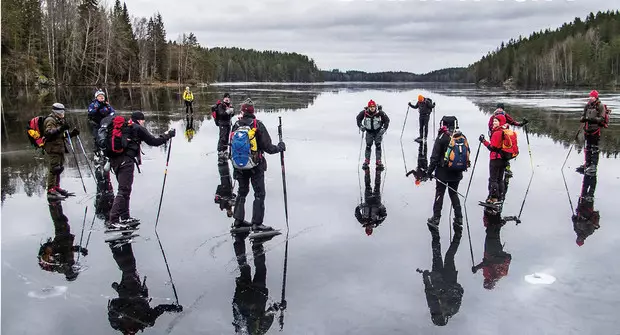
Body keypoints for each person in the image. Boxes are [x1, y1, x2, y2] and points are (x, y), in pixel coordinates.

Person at [104, 111, 176, 229]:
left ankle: (125, 217)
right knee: (123, 190)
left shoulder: (125, 127)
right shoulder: (137, 128)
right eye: (143, 120)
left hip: (115, 162)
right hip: (126, 162)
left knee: (125, 190)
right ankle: (113, 220)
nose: (143, 122)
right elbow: (154, 141)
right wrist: (168, 135)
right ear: (140, 120)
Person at [230, 98, 286, 232]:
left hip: (239, 165)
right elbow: (268, 147)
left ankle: (238, 220)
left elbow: (230, 146)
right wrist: (280, 147)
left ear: (242, 111)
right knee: (259, 193)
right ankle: (257, 223)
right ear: (252, 111)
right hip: (256, 165)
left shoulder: (236, 125)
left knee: (242, 191)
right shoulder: (257, 125)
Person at [107, 243, 182, 333]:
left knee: (129, 269)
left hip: (127, 290)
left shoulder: (118, 325)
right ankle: (121, 245)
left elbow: (113, 309)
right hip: (138, 291)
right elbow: (160, 308)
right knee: (130, 269)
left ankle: (119, 246)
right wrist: (173, 308)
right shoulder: (146, 320)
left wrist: (119, 308)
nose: (131, 331)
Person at [426, 116, 469, 232]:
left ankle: (436, 219)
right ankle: (459, 218)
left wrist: (429, 172)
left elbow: (434, 157)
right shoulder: (461, 136)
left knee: (440, 194)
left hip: (442, 173)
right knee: (453, 194)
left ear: (443, 124)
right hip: (457, 173)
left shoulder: (442, 137)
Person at [231, 233, 280, 334]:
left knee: (261, 270)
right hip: (242, 296)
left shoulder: (257, 333)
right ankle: (238, 239)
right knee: (244, 269)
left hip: (256, 299)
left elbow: (268, 316)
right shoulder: (240, 332)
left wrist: (278, 307)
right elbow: (236, 310)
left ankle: (257, 244)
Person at [417, 228, 463, 326]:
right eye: (438, 314)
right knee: (449, 256)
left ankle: (435, 232)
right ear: (444, 316)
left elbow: (428, 291)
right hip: (449, 277)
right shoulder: (453, 308)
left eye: (434, 314)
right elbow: (460, 290)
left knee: (436, 252)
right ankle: (458, 234)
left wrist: (425, 278)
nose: (436, 311)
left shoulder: (433, 307)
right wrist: (445, 290)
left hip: (436, 277)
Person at [37, 199, 88, 281]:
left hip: (61, 241)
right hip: (64, 240)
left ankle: (53, 204)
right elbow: (69, 250)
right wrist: (80, 249)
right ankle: (56, 203)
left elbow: (61, 254)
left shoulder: (64, 267)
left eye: (75, 272)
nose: (76, 270)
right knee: (62, 221)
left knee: (60, 222)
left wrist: (79, 250)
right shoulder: (68, 265)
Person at [43, 103, 80, 200]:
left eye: (63, 111)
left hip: (60, 148)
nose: (63, 113)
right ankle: (50, 190)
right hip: (53, 148)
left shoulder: (59, 120)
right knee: (54, 169)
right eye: (61, 111)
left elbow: (62, 135)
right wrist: (61, 128)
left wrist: (72, 134)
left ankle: (56, 187)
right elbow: (49, 133)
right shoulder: (50, 120)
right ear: (57, 112)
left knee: (59, 168)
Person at [472, 210, 512, 290]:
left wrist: (477, 267)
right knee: (491, 234)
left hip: (497, 253)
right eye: (486, 283)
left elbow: (487, 264)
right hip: (491, 253)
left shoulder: (499, 275)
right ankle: (498, 220)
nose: (485, 281)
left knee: (494, 236)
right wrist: (476, 268)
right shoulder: (489, 276)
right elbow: (486, 264)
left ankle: (499, 220)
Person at [487, 103, 528, 178]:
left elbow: (490, 127)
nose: (499, 110)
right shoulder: (504, 115)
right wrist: (521, 124)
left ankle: (499, 169)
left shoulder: (494, 116)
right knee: (504, 152)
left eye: (500, 108)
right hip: (503, 137)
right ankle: (506, 168)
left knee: (497, 153)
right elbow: (513, 122)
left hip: (498, 138)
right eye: (499, 108)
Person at [479, 114, 508, 205]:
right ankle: (500, 196)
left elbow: (492, 147)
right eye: (494, 121)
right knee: (500, 179)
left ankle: (494, 198)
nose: (494, 123)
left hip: (495, 159)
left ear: (501, 122)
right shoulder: (505, 131)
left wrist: (483, 141)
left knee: (493, 179)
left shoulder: (497, 132)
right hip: (504, 158)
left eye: (496, 121)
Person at [577, 90, 606, 175]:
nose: (591, 98)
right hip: (587, 131)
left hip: (595, 131)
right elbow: (582, 116)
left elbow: (602, 118)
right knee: (588, 148)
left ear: (596, 97)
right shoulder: (587, 106)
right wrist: (583, 118)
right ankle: (587, 163)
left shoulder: (600, 106)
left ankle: (593, 166)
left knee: (594, 148)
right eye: (590, 96)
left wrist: (591, 119)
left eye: (593, 96)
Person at [356, 100, 390, 170]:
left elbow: (387, 120)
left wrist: (384, 129)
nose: (372, 108)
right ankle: (367, 161)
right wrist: (361, 126)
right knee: (368, 146)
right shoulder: (364, 112)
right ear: (368, 107)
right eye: (371, 107)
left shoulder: (380, 113)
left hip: (378, 132)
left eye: (373, 106)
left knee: (378, 146)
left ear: (375, 107)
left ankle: (378, 162)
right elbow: (358, 118)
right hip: (369, 132)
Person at [355, 168, 387, 236]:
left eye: (367, 229)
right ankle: (378, 172)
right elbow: (384, 215)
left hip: (368, 200)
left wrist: (363, 205)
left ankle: (367, 172)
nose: (369, 227)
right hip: (376, 201)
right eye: (370, 229)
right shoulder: (376, 222)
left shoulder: (362, 221)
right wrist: (380, 206)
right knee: (377, 186)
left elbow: (357, 211)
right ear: (372, 229)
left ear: (366, 228)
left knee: (367, 185)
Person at [573, 173, 600, 246]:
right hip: (588, 208)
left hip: (580, 207)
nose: (579, 239)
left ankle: (587, 175)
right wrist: (585, 220)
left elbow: (574, 220)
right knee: (591, 191)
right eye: (580, 240)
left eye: (578, 239)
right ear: (583, 240)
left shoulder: (576, 230)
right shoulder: (589, 232)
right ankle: (593, 176)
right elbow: (592, 223)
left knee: (584, 189)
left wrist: (574, 218)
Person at [213, 93, 235, 162]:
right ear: (223, 98)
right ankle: (220, 151)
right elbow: (221, 114)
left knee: (226, 137)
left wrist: (232, 111)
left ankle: (225, 150)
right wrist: (228, 111)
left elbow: (232, 114)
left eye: (228, 97)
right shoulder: (221, 106)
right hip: (222, 123)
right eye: (226, 97)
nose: (227, 99)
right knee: (222, 137)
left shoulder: (230, 105)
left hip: (228, 123)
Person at [215, 153, 237, 218]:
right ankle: (224, 160)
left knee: (224, 175)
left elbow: (218, 198)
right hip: (228, 186)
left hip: (225, 186)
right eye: (231, 213)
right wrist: (233, 196)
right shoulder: (231, 204)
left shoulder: (223, 206)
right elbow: (234, 197)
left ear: (227, 213)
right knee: (227, 174)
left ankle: (221, 160)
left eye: (230, 213)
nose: (230, 212)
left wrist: (221, 197)